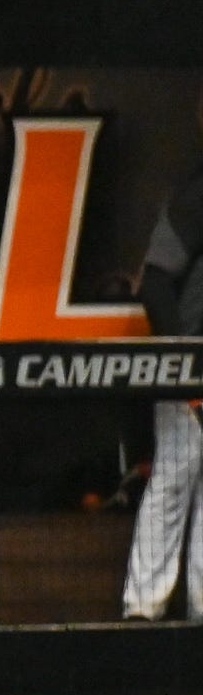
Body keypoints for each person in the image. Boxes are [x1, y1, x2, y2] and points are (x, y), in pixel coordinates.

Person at [123, 163, 203, 621]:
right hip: (192, 360)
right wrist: (183, 362)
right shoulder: (195, 196)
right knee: (173, 478)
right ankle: (142, 610)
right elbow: (154, 282)